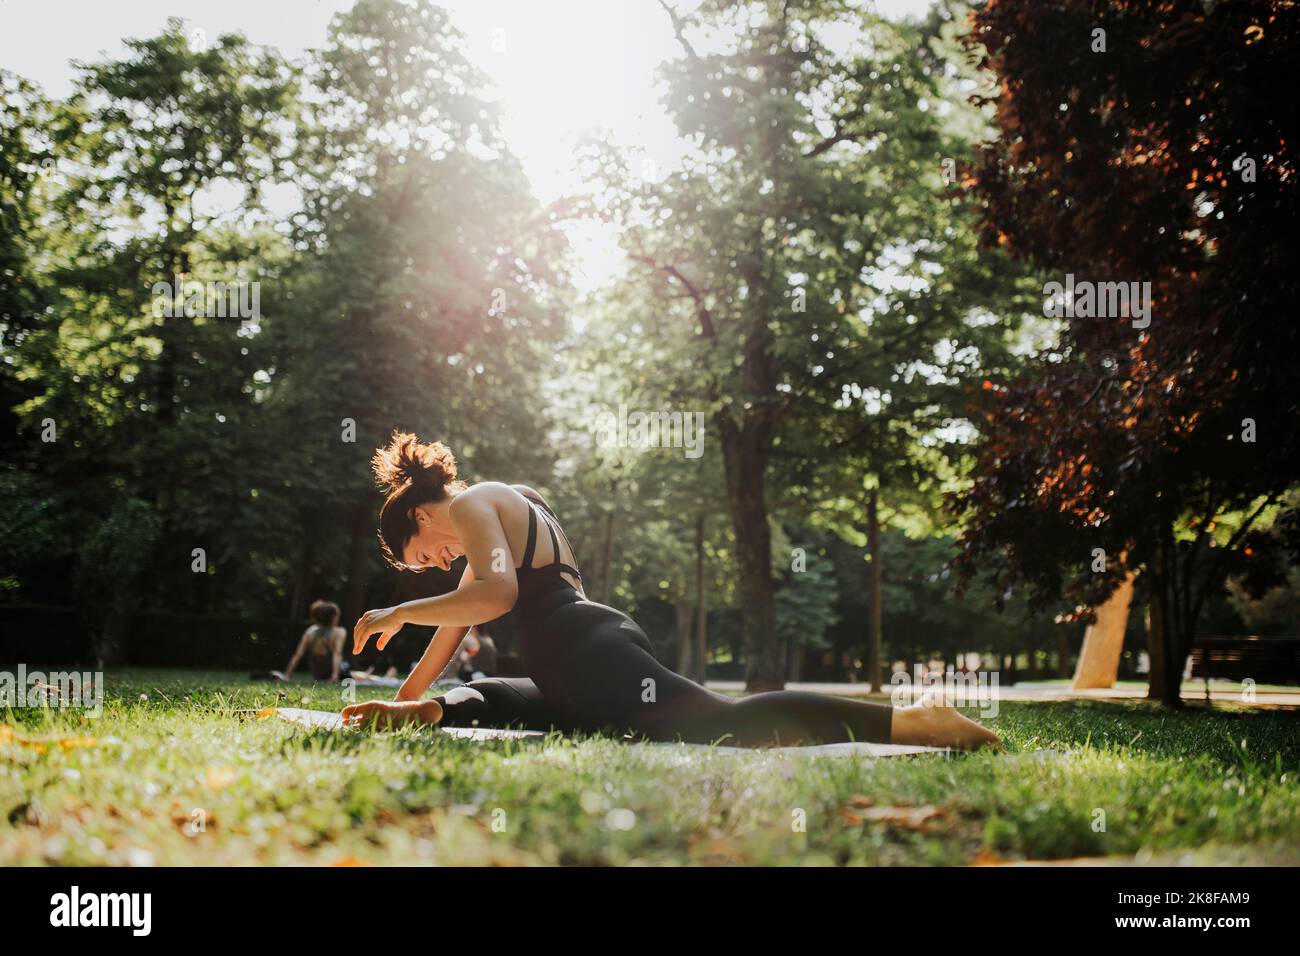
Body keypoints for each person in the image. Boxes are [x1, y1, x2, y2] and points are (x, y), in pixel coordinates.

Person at [341, 432, 998, 749]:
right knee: (525, 702)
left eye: (422, 555)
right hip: (582, 656)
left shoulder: (476, 503)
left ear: (419, 515)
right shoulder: (509, 503)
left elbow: (497, 599)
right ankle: (424, 715)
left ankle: (912, 722)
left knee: (722, 724)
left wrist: (400, 609)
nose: (436, 560)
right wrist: (406, 694)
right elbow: (458, 626)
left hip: (585, 648)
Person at [284, 599, 349, 683]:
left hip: (317, 673)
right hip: (336, 672)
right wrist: (335, 676)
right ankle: (365, 675)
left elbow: (297, 655)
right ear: (333, 617)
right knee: (348, 669)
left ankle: (364, 674)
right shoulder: (339, 632)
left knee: (353, 672)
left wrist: (287, 675)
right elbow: (337, 653)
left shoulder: (310, 631)